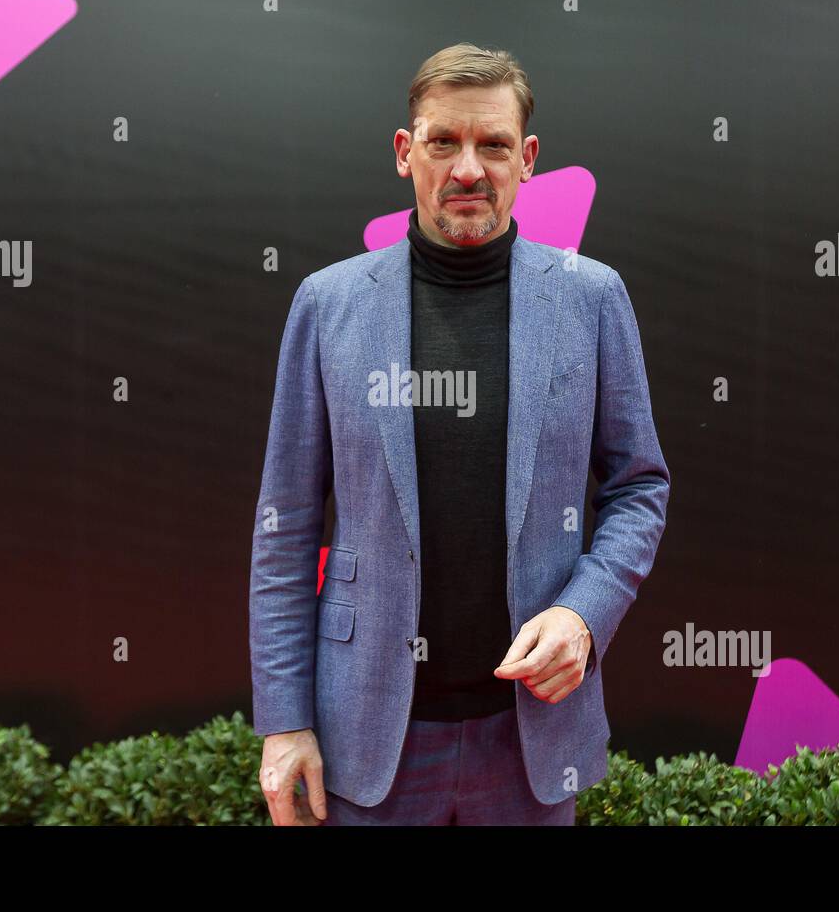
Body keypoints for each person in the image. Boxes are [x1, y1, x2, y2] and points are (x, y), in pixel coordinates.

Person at [249, 42, 671, 825]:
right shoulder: (326, 305)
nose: (469, 169)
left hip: (531, 738)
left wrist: (584, 612)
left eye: (494, 145)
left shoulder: (593, 300)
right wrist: (284, 721)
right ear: (407, 152)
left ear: (528, 159)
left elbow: (639, 488)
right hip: (368, 738)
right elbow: (285, 526)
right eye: (444, 142)